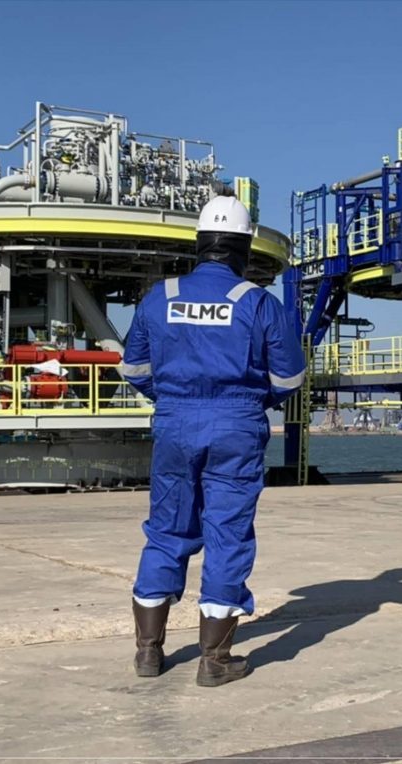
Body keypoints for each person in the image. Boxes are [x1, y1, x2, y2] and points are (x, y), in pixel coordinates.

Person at [122, 195, 305, 687]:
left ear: (200, 244)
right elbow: (289, 379)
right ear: (244, 247)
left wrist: (172, 396)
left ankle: (147, 651)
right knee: (226, 533)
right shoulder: (260, 303)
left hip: (175, 422)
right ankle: (215, 660)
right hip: (236, 426)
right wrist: (248, 401)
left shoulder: (159, 296)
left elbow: (134, 368)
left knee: (167, 530)